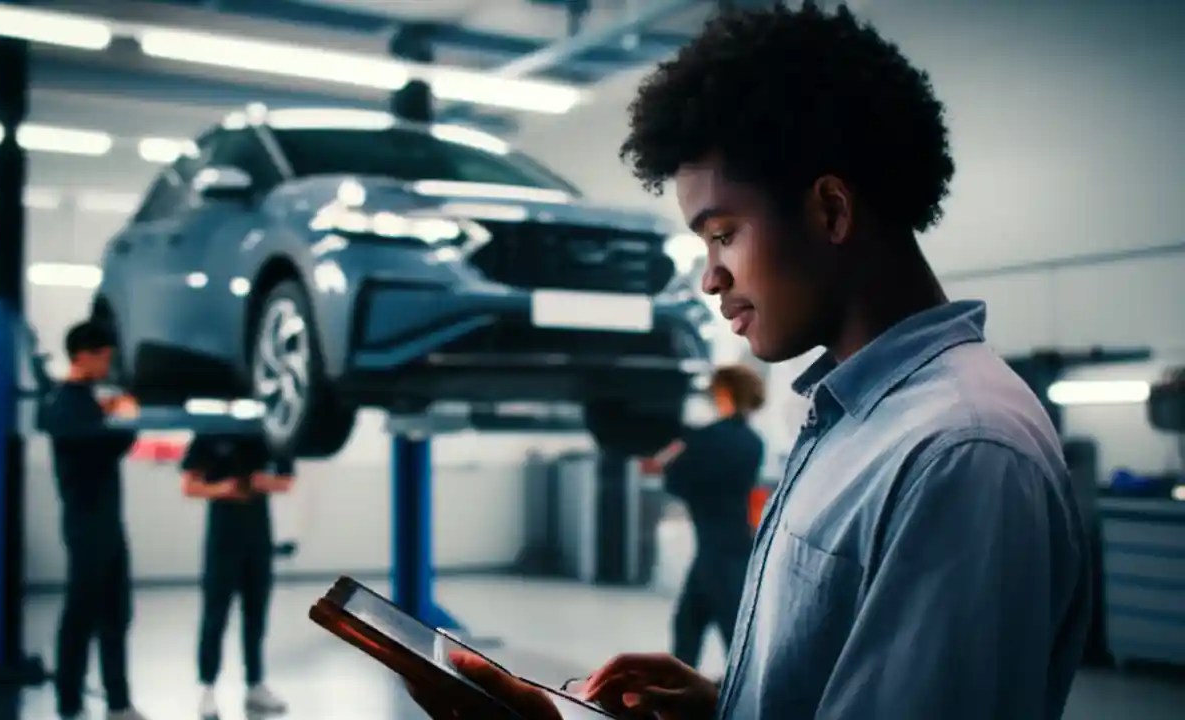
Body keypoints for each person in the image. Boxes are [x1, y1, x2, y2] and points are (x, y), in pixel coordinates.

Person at [409, 3, 1090, 719]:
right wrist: (726, 706)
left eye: (723, 234)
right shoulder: (858, 420)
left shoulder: (958, 453)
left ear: (830, 211)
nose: (710, 279)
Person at [40, 320, 148, 720]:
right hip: (85, 524)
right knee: (81, 614)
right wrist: (125, 419)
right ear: (84, 355)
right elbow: (100, 443)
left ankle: (118, 703)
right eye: (104, 358)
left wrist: (118, 416)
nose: (108, 365)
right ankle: (69, 704)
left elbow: (106, 440)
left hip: (108, 523)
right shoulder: (62, 402)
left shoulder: (87, 400)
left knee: (116, 613)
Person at [641, 365, 765, 669]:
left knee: (720, 636)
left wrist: (670, 459)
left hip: (716, 553)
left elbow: (673, 479)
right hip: (732, 545)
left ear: (724, 393)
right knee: (691, 625)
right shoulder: (753, 442)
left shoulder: (705, 438)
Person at [181, 433, 294, 719]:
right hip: (222, 537)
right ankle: (206, 688)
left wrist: (261, 483)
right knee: (215, 614)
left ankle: (255, 685)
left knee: (256, 614)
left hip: (257, 537)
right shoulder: (209, 434)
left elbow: (286, 480)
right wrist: (223, 489)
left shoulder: (269, 436)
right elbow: (189, 485)